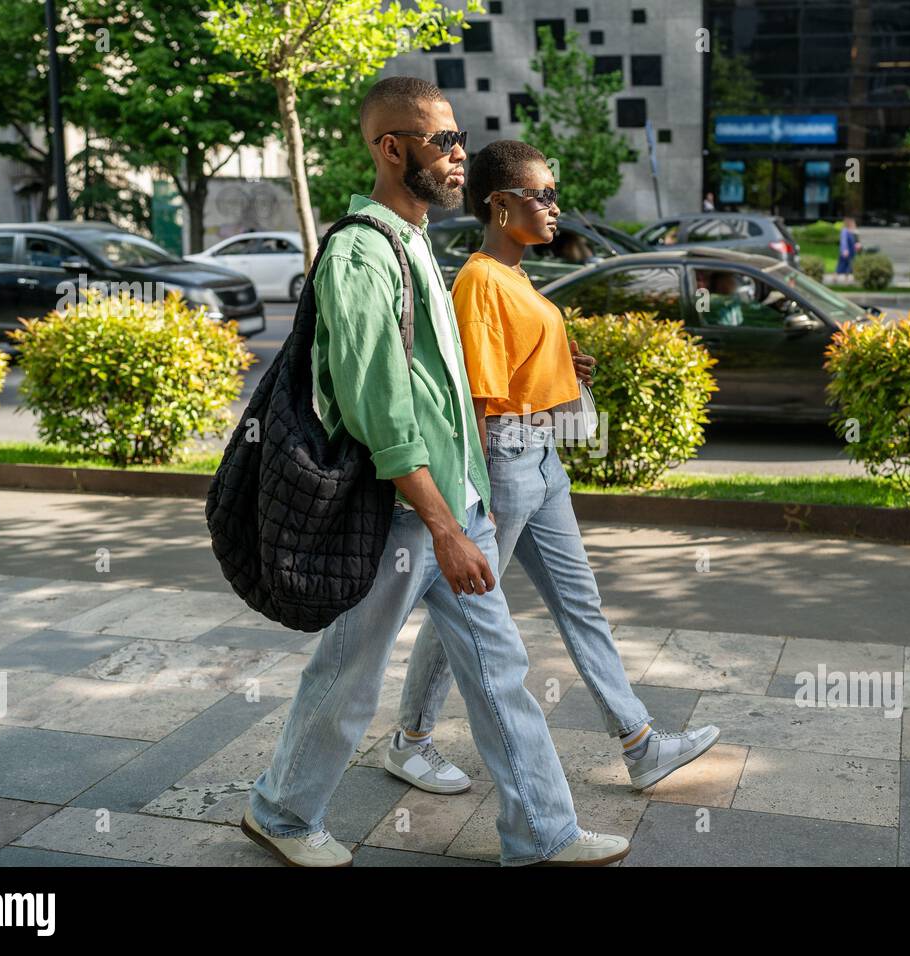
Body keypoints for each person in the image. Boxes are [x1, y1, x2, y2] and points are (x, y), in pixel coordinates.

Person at [241, 77, 629, 867]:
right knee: (348, 678)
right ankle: (280, 814)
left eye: (459, 140)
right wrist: (446, 527)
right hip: (401, 517)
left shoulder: (419, 240)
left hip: (456, 506)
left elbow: (441, 386)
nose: (461, 157)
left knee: (501, 677)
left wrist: (470, 506)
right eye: (443, 143)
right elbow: (382, 413)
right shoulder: (360, 251)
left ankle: (541, 832)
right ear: (392, 149)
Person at [387, 139, 720, 797]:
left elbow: (515, 371)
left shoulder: (514, 276)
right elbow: (478, 399)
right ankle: (410, 740)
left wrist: (565, 369)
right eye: (542, 195)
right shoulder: (480, 279)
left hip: (544, 460)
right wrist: (469, 500)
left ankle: (641, 744)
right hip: (506, 462)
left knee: (581, 604)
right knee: (469, 604)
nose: (555, 207)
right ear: (501, 203)